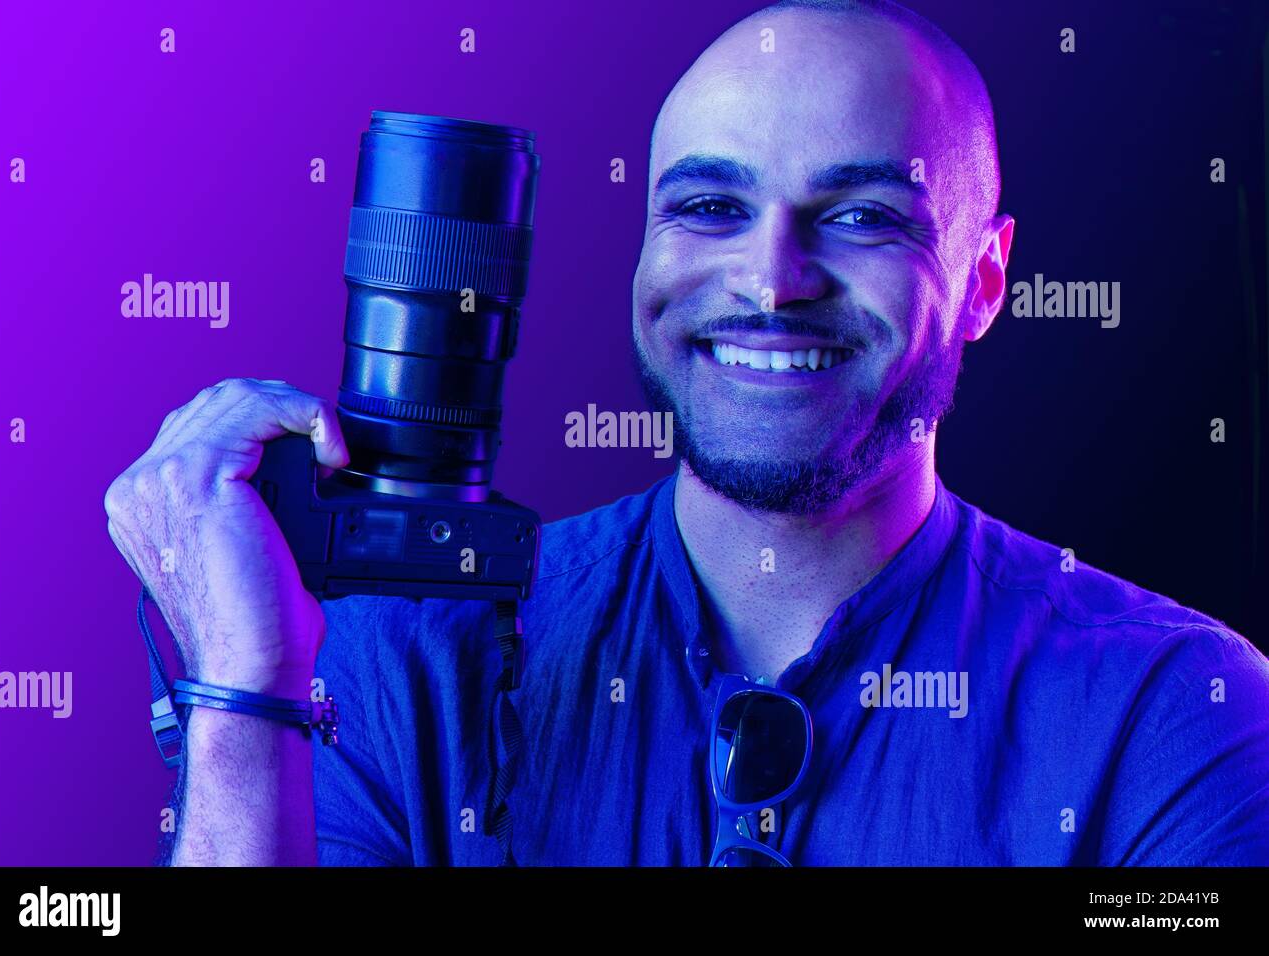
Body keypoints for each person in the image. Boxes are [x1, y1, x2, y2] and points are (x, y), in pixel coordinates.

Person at [104, 0, 1269, 866]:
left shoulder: (1171, 711)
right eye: (710, 207)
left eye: (861, 215)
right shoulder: (397, 663)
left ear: (982, 277)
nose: (769, 280)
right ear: (646, 248)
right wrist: (246, 695)